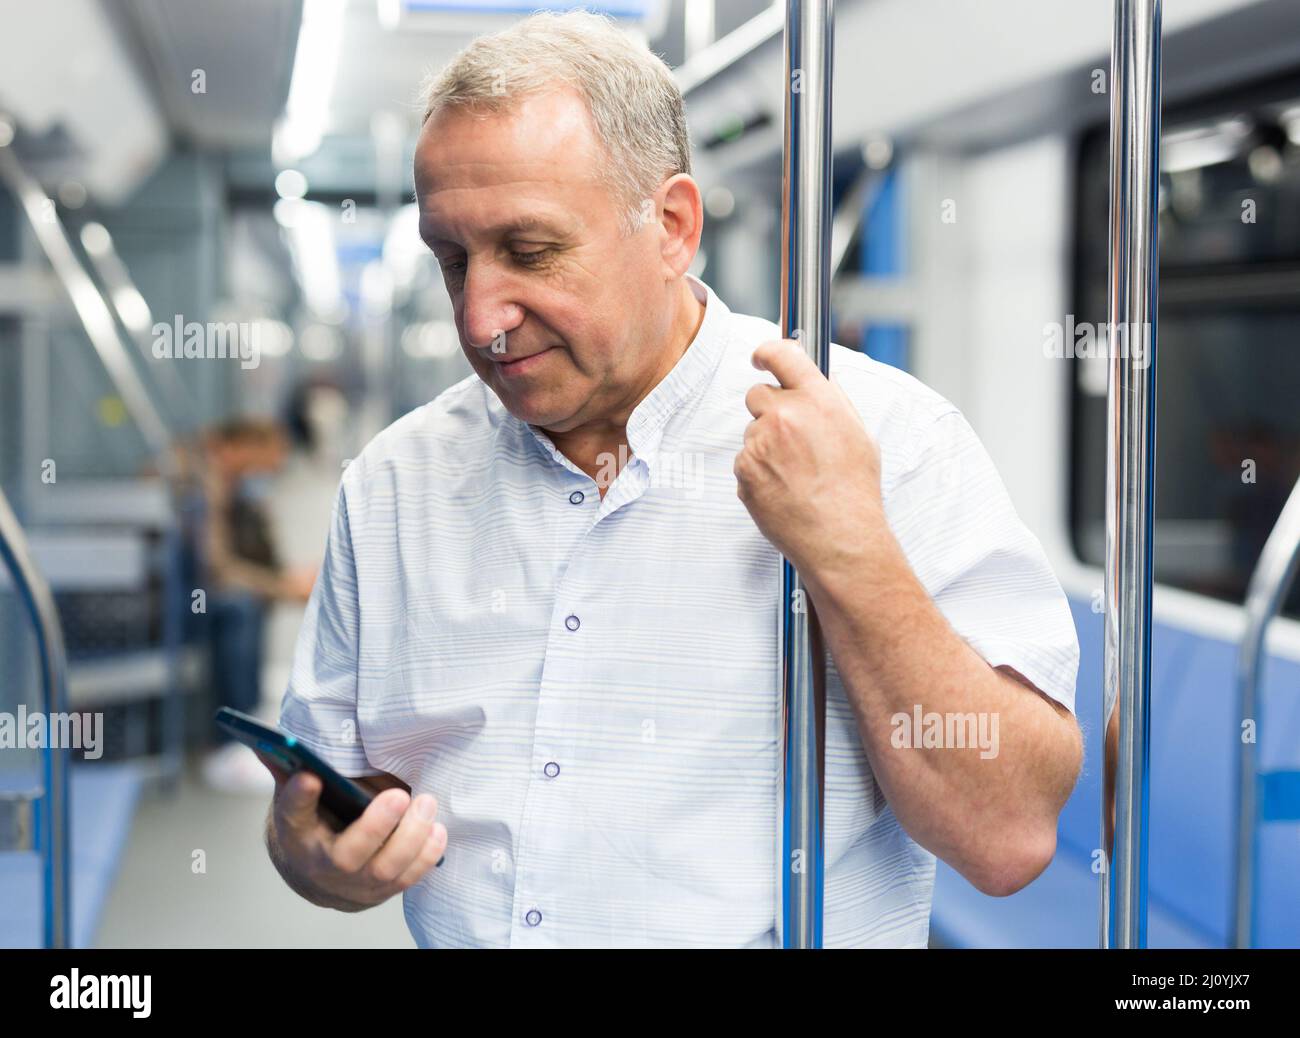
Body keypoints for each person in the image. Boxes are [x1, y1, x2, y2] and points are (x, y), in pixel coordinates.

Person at [264, 10, 1082, 947]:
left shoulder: (888, 439)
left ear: (671, 226)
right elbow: (320, 804)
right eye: (452, 259)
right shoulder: (393, 487)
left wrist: (850, 550)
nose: (481, 315)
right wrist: (315, 852)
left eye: (530, 252)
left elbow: (1008, 832)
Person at [199, 418, 315, 793]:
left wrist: (288, 578)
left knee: (249, 602)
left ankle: (249, 717)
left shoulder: (245, 496)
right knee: (241, 606)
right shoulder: (204, 488)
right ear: (238, 448)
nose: (275, 466)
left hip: (219, 597)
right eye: (268, 457)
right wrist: (280, 587)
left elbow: (261, 556)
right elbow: (216, 568)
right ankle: (232, 737)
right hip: (176, 606)